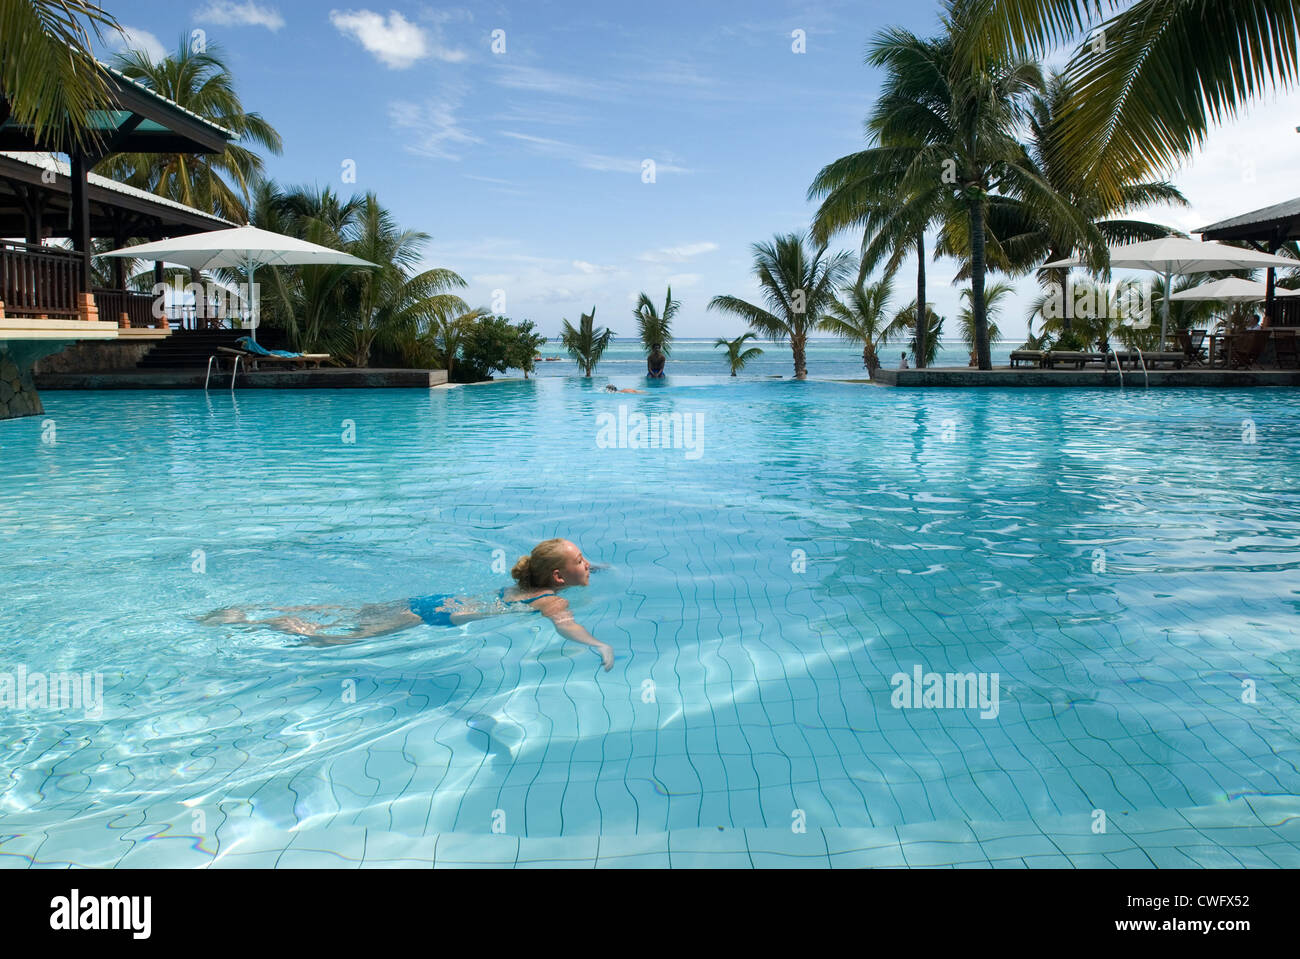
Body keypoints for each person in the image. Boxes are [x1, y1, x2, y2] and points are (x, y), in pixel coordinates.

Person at [199, 538, 615, 670]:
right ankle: (255, 622)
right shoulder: (549, 601)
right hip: (428, 618)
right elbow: (567, 627)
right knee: (335, 641)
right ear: (559, 579)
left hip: (430, 601)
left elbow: (569, 566)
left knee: (347, 614)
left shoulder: (533, 585)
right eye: (581, 562)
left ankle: (261, 612)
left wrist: (593, 565)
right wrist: (598, 645)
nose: (588, 565)